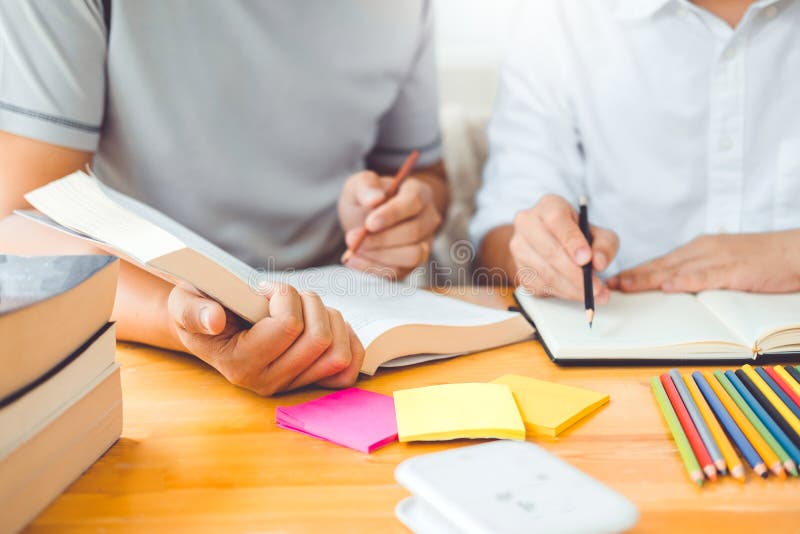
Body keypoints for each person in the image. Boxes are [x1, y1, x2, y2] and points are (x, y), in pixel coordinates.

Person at [0, 1, 448, 395]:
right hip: (141, 348)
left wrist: (397, 211)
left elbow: (423, 172)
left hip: (340, 335)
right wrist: (182, 319)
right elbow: (20, 222)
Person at [471, 0, 800, 303]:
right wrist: (538, 256)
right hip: (617, 334)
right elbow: (501, 235)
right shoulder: (561, 17)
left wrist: (791, 255)